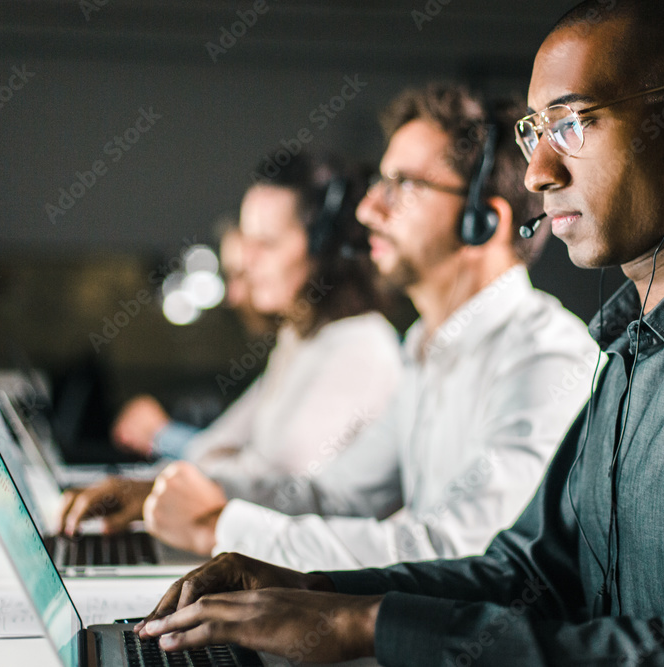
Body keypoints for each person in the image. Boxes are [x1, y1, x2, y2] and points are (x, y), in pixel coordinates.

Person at [133, 3, 664, 664]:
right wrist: (317, 589)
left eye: (574, 124)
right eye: (535, 131)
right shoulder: (635, 348)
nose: (539, 171)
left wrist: (369, 629)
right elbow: (530, 573)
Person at [118, 83, 598, 570]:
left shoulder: (545, 357)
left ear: (482, 221)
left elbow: (458, 550)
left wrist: (218, 525)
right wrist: (176, 497)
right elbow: (335, 498)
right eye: (380, 184)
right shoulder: (425, 347)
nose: (369, 210)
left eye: (405, 186)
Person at [58, 154, 403, 538]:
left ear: (328, 252)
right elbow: (210, 450)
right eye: (246, 238)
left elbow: (279, 485)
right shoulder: (300, 339)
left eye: (266, 244)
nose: (245, 260)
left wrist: (154, 488)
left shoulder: (360, 347)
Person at [110, 221, 277, 460]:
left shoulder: (313, 353)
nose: (232, 297)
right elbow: (221, 445)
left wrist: (160, 434)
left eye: (242, 275)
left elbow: (251, 470)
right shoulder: (287, 355)